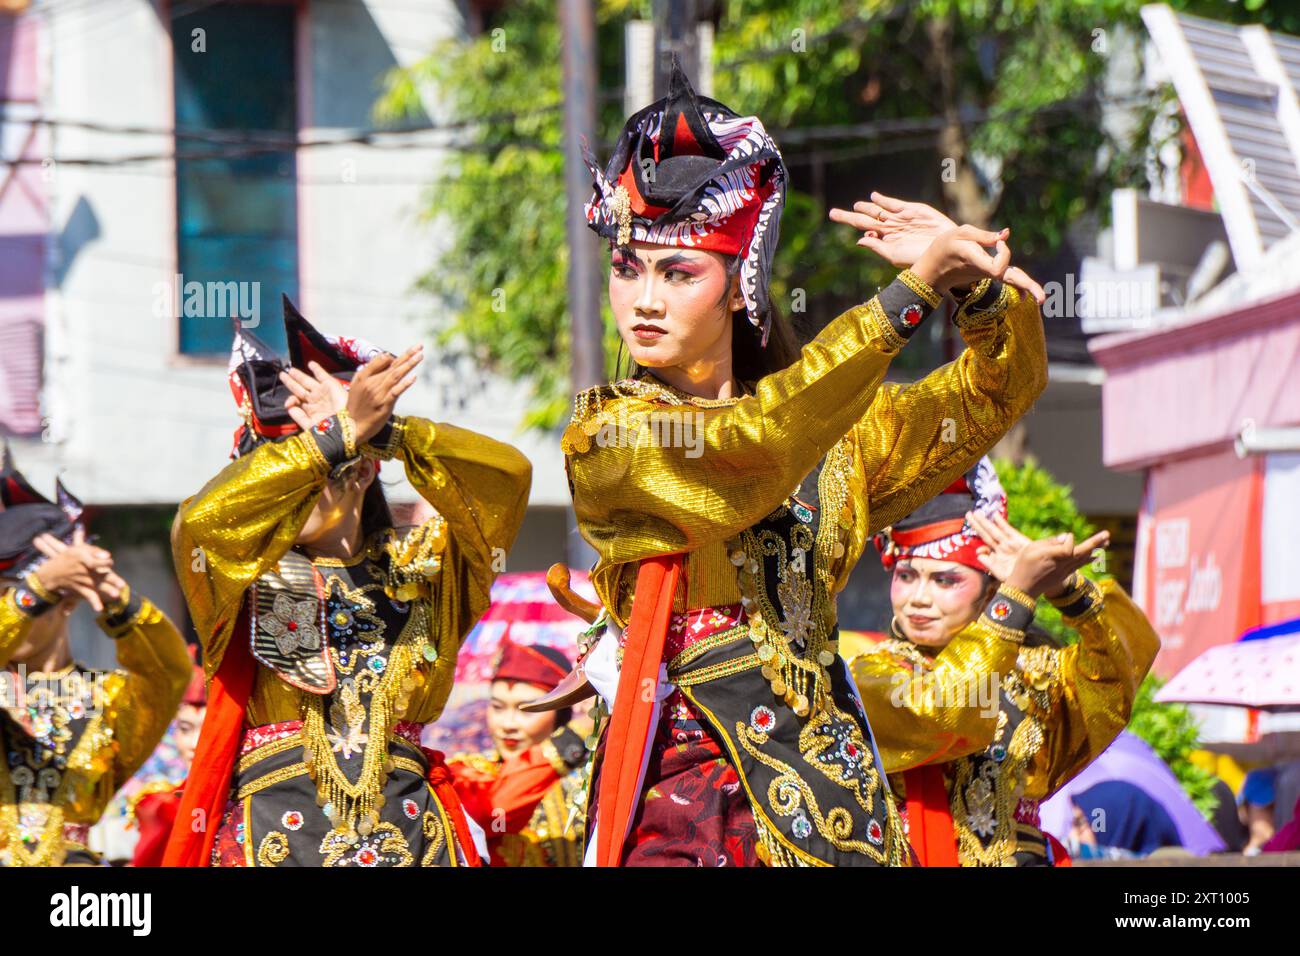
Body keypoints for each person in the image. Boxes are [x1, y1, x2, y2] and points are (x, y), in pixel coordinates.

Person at [547, 59, 1048, 867]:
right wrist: (907, 297)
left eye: (678, 274)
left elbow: (999, 390)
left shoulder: (837, 438)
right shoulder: (612, 438)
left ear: (739, 286)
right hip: (687, 805)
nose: (644, 300)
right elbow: (753, 447)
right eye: (626, 268)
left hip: (835, 799)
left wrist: (978, 290)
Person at [162, 300, 532, 867]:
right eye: (282, 469)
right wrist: (335, 436)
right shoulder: (240, 577)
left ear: (360, 473)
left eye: (310, 467)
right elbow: (201, 522)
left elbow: (507, 478)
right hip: (273, 848)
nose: (289, 490)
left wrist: (388, 434)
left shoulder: (431, 569)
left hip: (413, 845)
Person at [851, 459, 1160, 865]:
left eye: (945, 580)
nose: (919, 597)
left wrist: (1068, 590)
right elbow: (940, 708)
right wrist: (1015, 597)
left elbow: (1122, 673)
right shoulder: (871, 674)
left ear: (989, 585)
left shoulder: (1036, 674)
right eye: (907, 576)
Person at [0, 450, 190, 865]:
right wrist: (34, 591)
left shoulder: (108, 696)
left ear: (67, 601)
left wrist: (119, 603)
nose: (14, 607)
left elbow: (169, 672)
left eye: (9, 594)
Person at [448, 639, 588, 866]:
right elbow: (492, 808)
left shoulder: (590, 780)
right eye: (497, 706)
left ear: (560, 714)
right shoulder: (467, 776)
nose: (508, 724)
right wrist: (575, 736)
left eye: (526, 709)